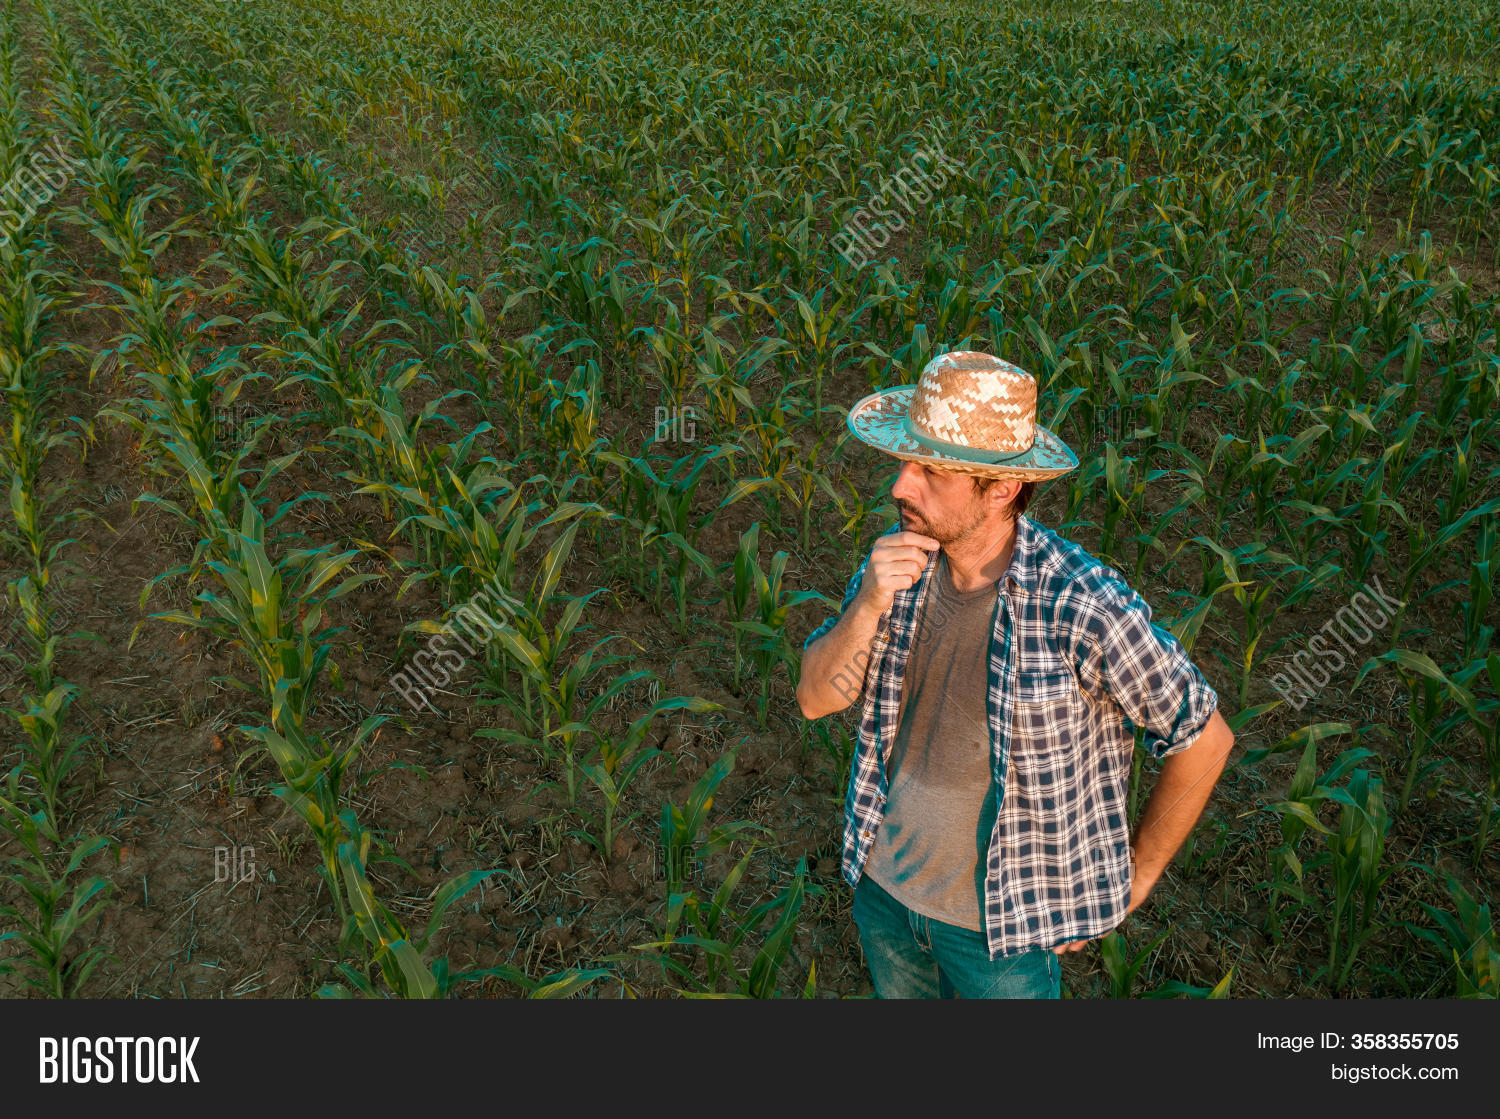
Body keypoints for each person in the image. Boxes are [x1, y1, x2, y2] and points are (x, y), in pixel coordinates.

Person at [797, 350, 1235, 998]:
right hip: (884, 894)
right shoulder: (898, 565)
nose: (899, 486)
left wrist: (1131, 881)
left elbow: (1204, 736)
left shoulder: (1082, 605)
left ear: (1001, 488)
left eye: (930, 470)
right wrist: (865, 606)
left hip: (1001, 937)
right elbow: (814, 699)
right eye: (904, 462)